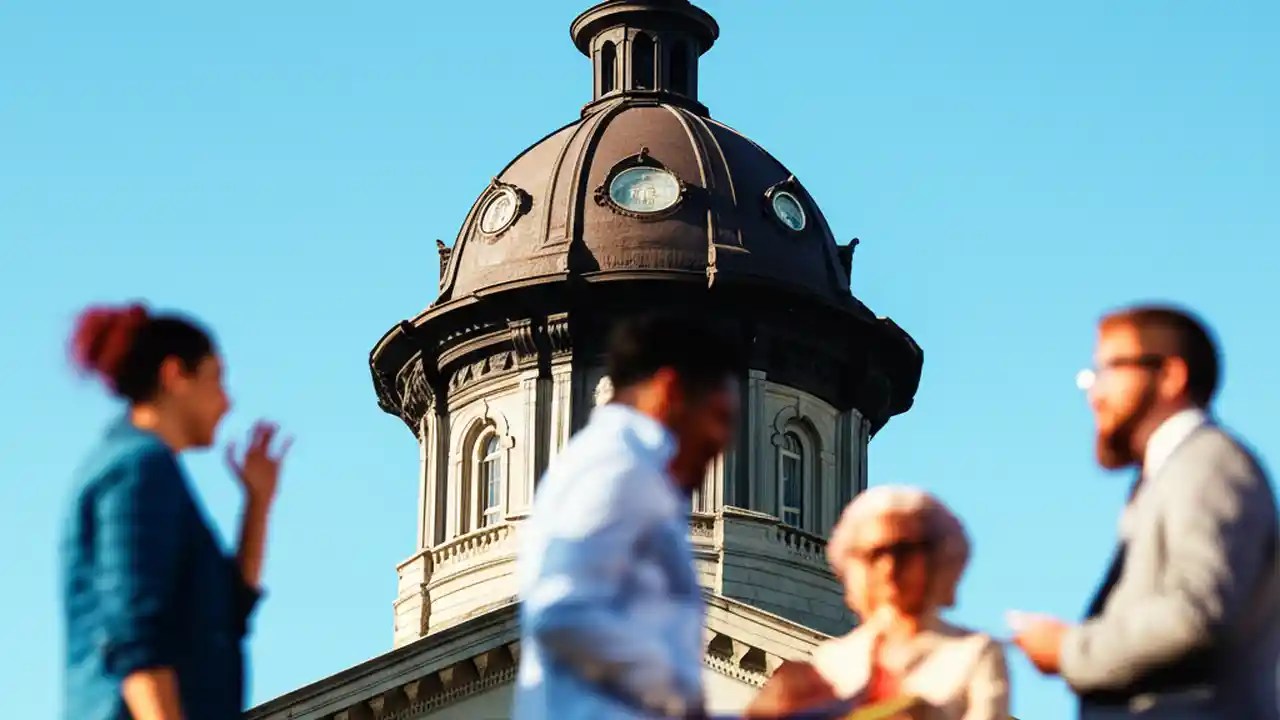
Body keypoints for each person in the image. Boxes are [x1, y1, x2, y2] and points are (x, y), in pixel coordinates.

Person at [1010, 304, 1280, 719]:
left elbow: (1195, 614)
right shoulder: (1173, 472)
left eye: (1109, 370)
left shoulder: (1208, 461)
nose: (1095, 394)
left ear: (1171, 375)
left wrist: (1068, 649)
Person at [61, 303, 291, 720]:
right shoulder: (137, 470)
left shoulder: (148, 468)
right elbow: (136, 643)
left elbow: (230, 611)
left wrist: (258, 504)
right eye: (215, 379)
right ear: (174, 377)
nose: (226, 402)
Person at [513, 313, 742, 720]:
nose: (722, 442)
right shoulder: (619, 466)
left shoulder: (626, 467)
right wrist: (679, 691)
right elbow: (563, 610)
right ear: (669, 391)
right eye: (719, 417)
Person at [766, 486, 1009, 720]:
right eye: (873, 555)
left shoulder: (974, 653)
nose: (889, 568)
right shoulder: (830, 661)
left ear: (937, 562)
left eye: (904, 552)